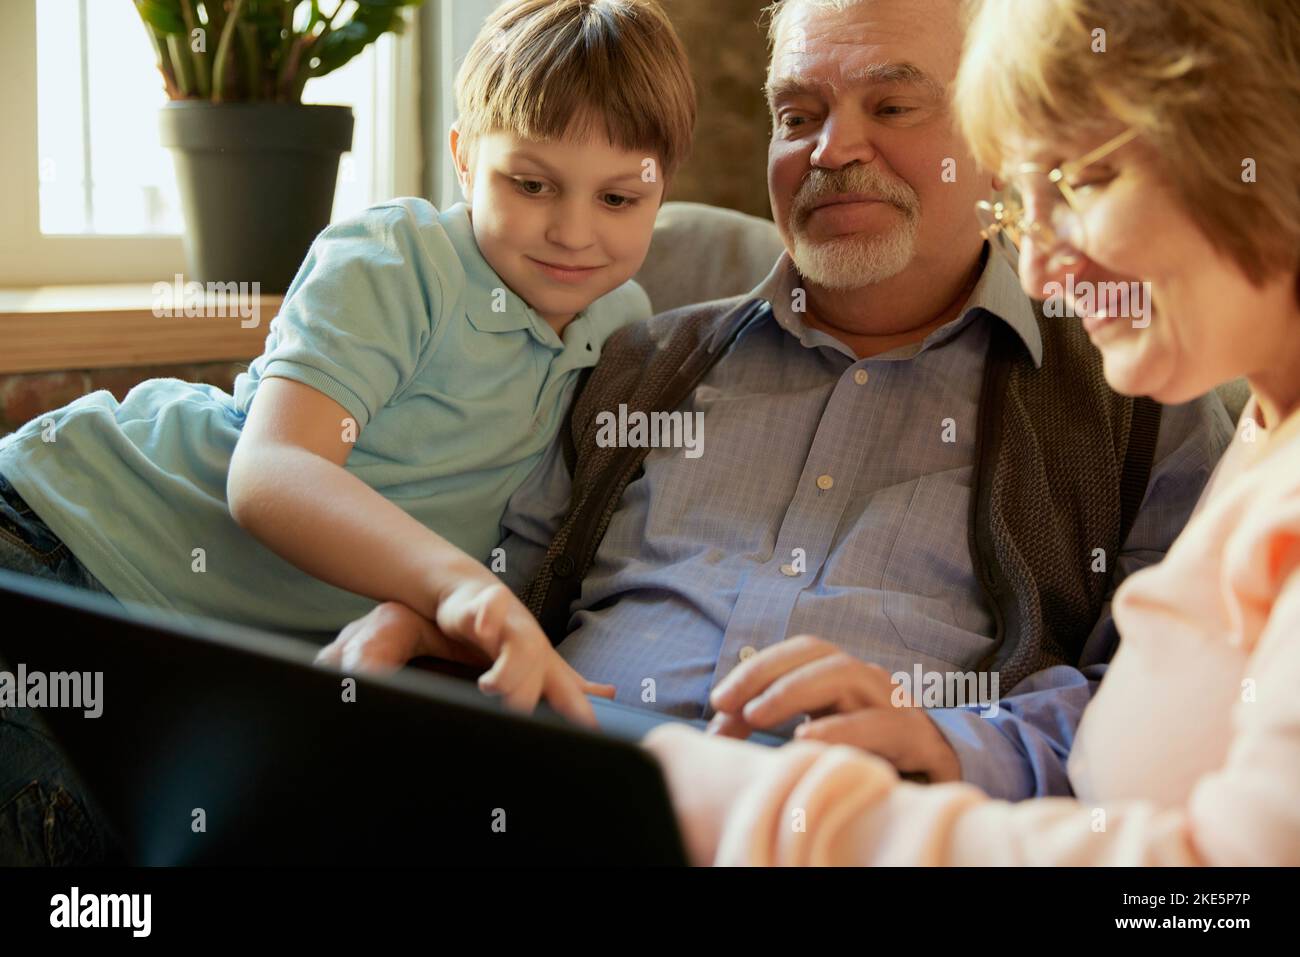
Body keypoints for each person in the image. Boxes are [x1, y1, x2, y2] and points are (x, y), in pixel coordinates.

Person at [322, 0, 1230, 809]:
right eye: (798, 115)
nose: (832, 150)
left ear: (998, 142)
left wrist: (948, 740)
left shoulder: (1137, 397)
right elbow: (513, 575)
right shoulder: (636, 358)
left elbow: (1169, 704)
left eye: (892, 106)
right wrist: (422, 623)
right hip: (566, 798)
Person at [0, 0, 696, 864]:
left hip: (201, 659)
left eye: (619, 196)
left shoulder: (627, 326)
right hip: (59, 535)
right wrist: (459, 589)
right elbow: (273, 472)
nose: (573, 230)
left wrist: (426, 612)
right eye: (531, 183)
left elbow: (527, 547)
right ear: (462, 158)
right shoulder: (398, 259)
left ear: (662, 188)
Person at [644, 0, 1300, 865]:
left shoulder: (1161, 424)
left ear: (1255, 129)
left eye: (1082, 182)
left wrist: (764, 812)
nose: (1037, 270)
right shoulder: (1266, 436)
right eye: (1021, 209)